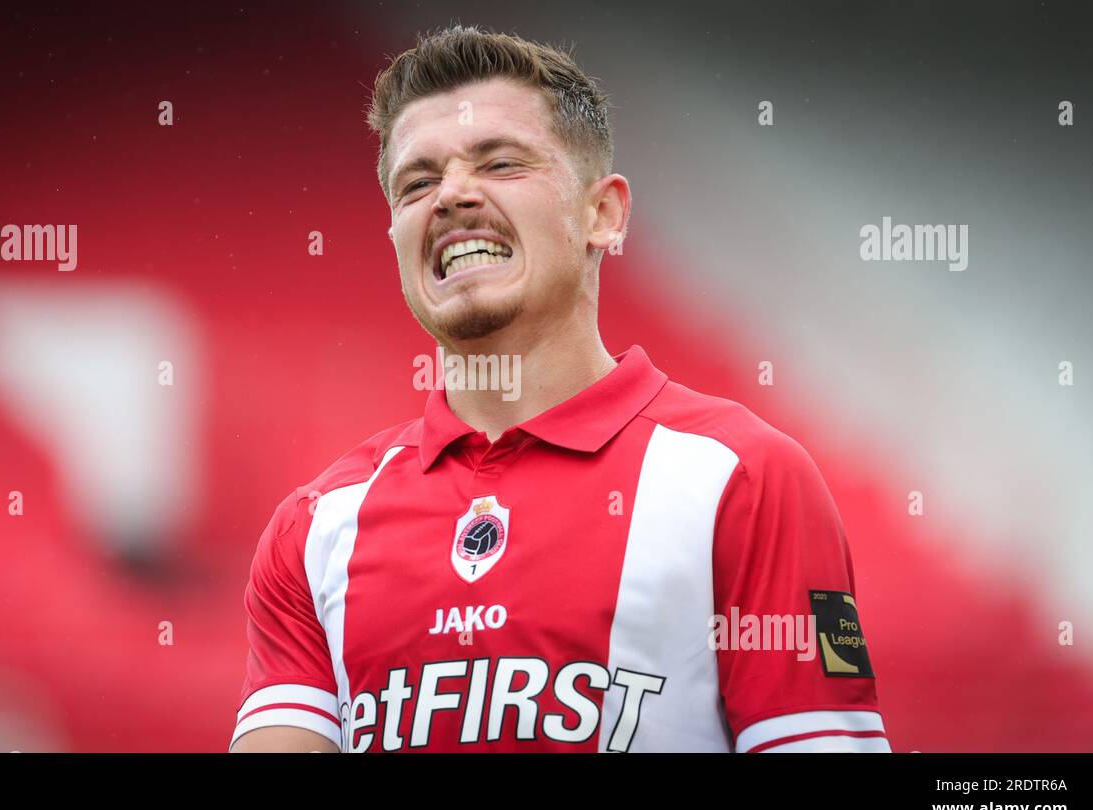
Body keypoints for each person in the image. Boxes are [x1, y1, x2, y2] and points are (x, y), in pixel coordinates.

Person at [230, 24, 887, 753]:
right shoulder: (316, 528)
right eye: (417, 182)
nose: (450, 195)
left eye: (500, 163)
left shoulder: (743, 480)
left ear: (601, 214)